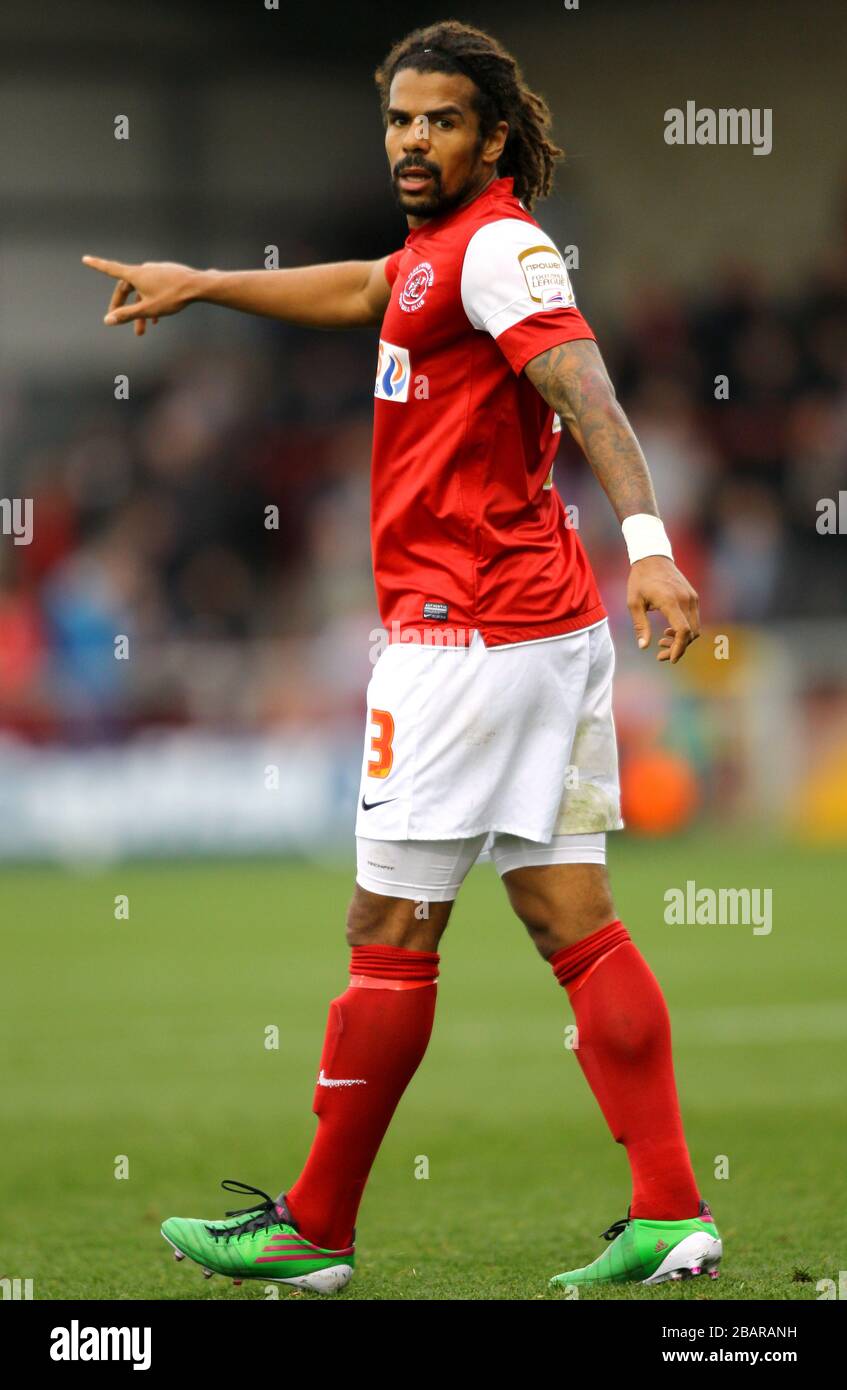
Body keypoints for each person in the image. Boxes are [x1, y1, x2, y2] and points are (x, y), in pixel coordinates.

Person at [83, 19, 721, 1295]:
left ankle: (314, 1232)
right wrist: (203, 281)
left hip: (469, 641)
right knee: (571, 919)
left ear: (492, 136)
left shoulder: (497, 248)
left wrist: (649, 543)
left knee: (386, 931)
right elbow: (366, 291)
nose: (411, 140)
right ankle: (670, 1213)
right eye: (398, 119)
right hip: (532, 635)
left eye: (438, 120)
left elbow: (585, 386)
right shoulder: (436, 257)